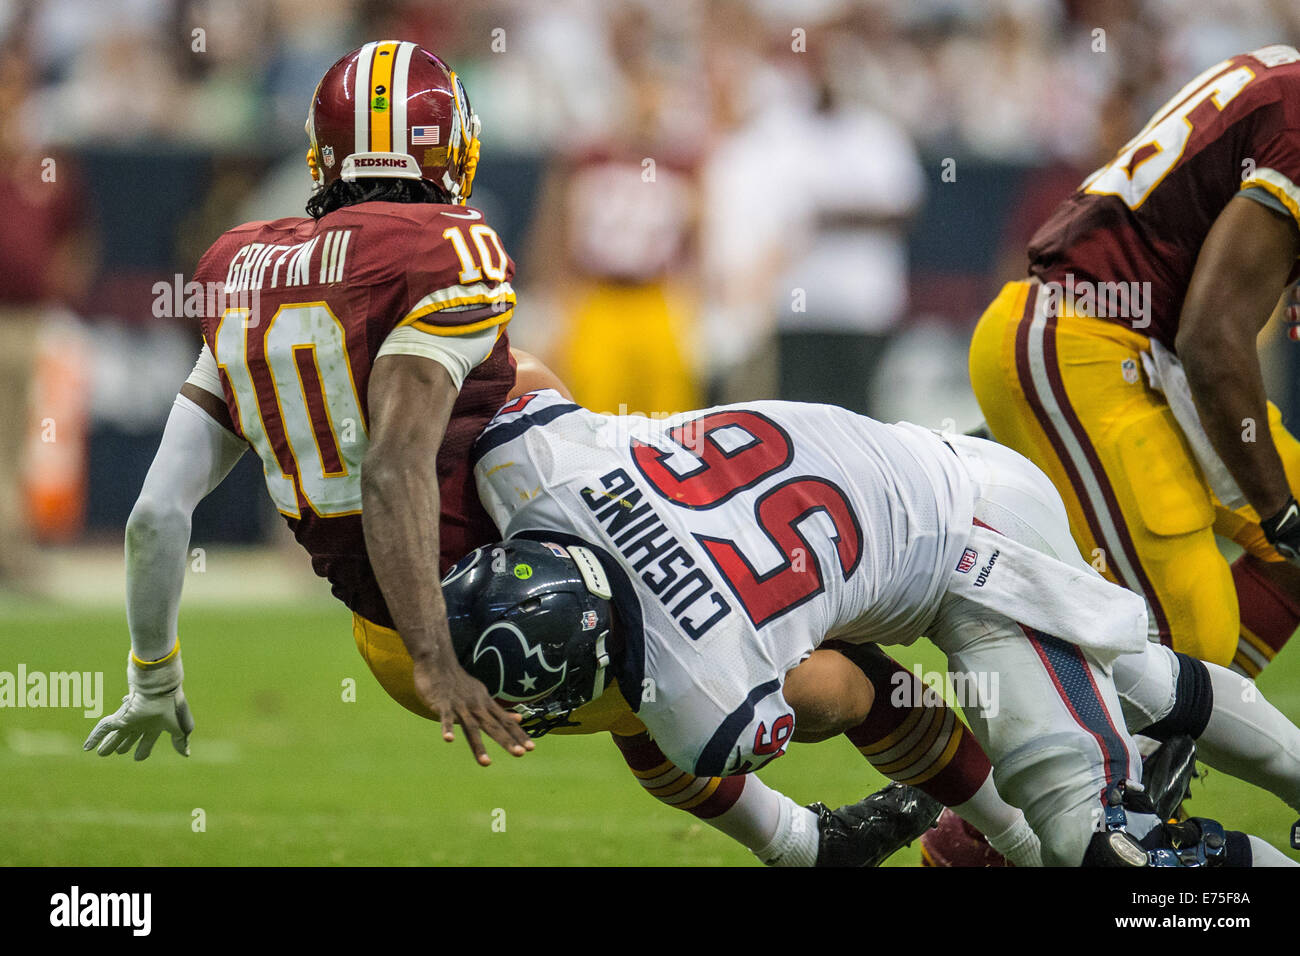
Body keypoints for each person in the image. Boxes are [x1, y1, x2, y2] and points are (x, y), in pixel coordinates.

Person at [80, 40, 1009, 868]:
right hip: (482, 609)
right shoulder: (444, 248)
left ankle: (801, 845)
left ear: (325, 158)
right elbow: (396, 463)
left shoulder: (242, 269)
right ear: (450, 155)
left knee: (638, 652)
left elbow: (157, 514)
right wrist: (442, 655)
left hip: (385, 635)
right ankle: (1016, 827)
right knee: (801, 652)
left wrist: (153, 674)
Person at [442, 387, 1300, 866]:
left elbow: (846, 693)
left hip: (972, 557)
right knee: (1139, 678)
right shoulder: (538, 470)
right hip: (939, 461)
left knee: (1096, 845)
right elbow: (527, 393)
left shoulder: (697, 697)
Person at [969, 44, 1300, 679]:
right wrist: (1276, 507)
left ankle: (1163, 751)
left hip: (1143, 348)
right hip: (1084, 341)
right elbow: (1214, 333)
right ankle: (965, 777)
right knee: (1193, 633)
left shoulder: (1278, 74)